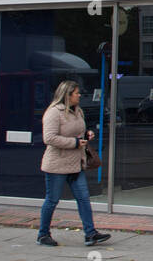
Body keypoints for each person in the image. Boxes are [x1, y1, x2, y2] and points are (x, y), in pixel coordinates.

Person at [37, 80, 110, 246]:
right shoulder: (54, 112)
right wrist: (75, 143)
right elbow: (49, 138)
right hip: (57, 164)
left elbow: (78, 130)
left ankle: (90, 233)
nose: (79, 95)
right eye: (76, 93)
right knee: (52, 199)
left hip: (76, 164)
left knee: (84, 198)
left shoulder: (78, 111)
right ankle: (43, 234)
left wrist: (87, 133)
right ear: (67, 95)